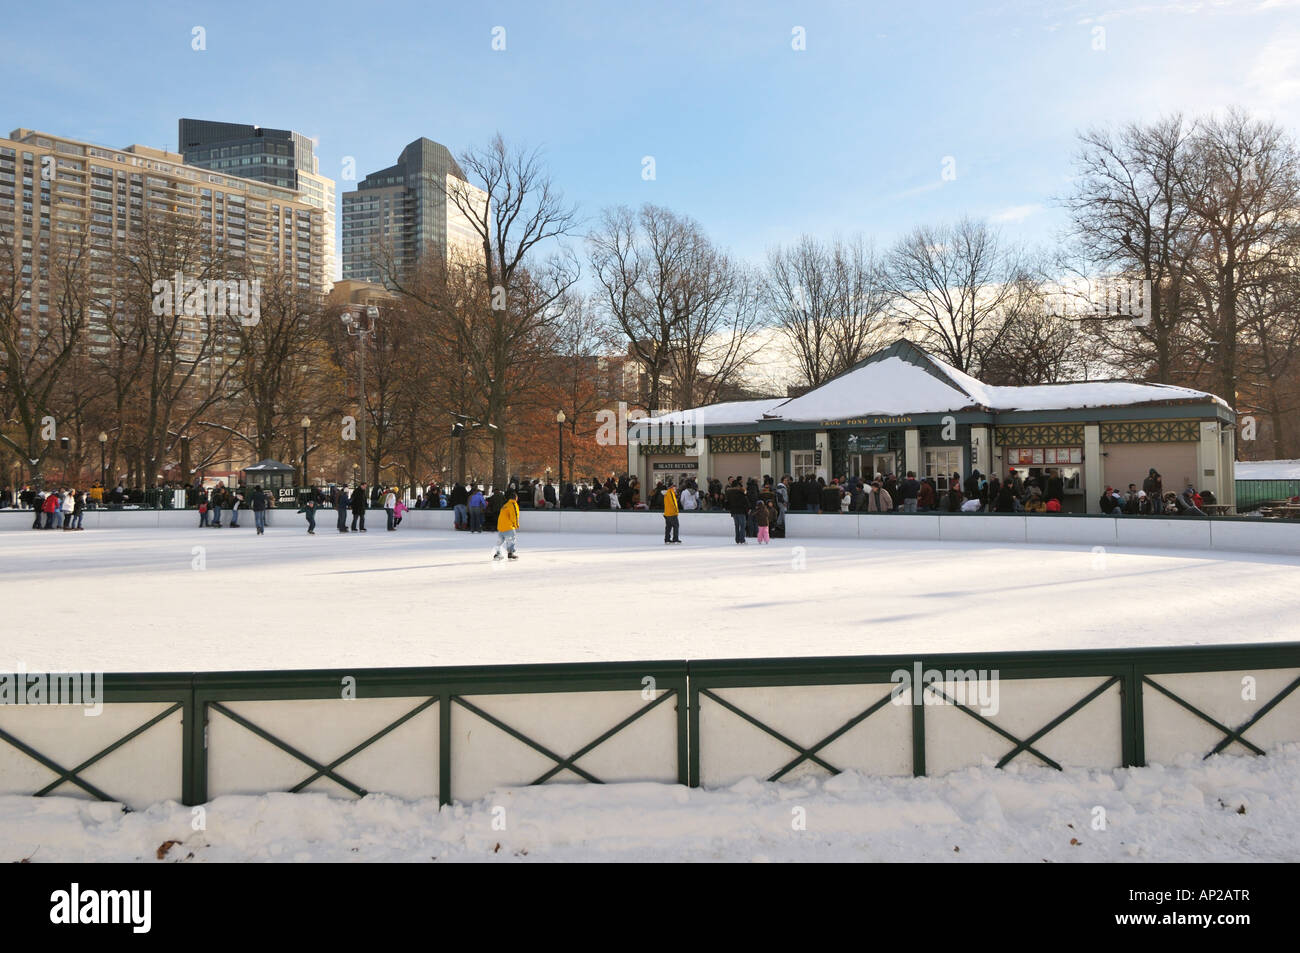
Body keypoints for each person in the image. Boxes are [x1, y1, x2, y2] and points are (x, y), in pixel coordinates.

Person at [493, 489, 520, 561]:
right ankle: (510, 553)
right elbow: (514, 515)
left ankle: (497, 554)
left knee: (500, 541)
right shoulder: (513, 504)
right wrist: (516, 525)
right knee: (511, 539)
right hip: (508, 526)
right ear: (516, 498)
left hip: (501, 526)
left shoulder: (505, 505)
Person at [725, 478, 749, 544]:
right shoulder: (741, 491)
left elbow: (727, 502)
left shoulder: (728, 492)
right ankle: (742, 539)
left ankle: (737, 540)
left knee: (737, 525)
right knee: (743, 525)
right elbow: (745, 501)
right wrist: (747, 509)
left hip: (733, 511)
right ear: (737, 485)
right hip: (741, 511)